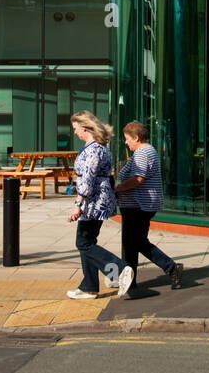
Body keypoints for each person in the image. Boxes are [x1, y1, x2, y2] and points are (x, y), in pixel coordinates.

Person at [67, 111, 133, 301]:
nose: (75, 133)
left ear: (85, 127)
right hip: (99, 199)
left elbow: (87, 180)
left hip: (93, 201)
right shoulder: (100, 147)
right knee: (87, 242)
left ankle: (120, 270)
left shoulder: (93, 149)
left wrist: (77, 205)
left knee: (83, 242)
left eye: (76, 129)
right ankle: (89, 286)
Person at [115, 120, 183, 292]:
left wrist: (117, 188)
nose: (125, 142)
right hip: (135, 205)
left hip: (139, 206)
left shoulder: (143, 152)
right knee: (131, 244)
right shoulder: (142, 152)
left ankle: (171, 267)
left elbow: (138, 179)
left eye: (127, 138)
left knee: (137, 242)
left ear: (136, 138)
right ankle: (130, 280)